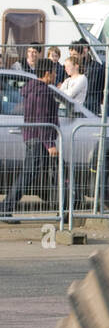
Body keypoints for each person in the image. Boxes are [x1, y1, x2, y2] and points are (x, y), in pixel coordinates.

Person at [1, 58, 60, 218]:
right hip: (39, 139)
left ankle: (65, 209)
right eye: (54, 72)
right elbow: (41, 119)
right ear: (47, 73)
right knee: (29, 174)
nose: (55, 75)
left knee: (50, 174)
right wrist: (49, 144)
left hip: (32, 137)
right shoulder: (42, 91)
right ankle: (6, 207)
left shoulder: (32, 89)